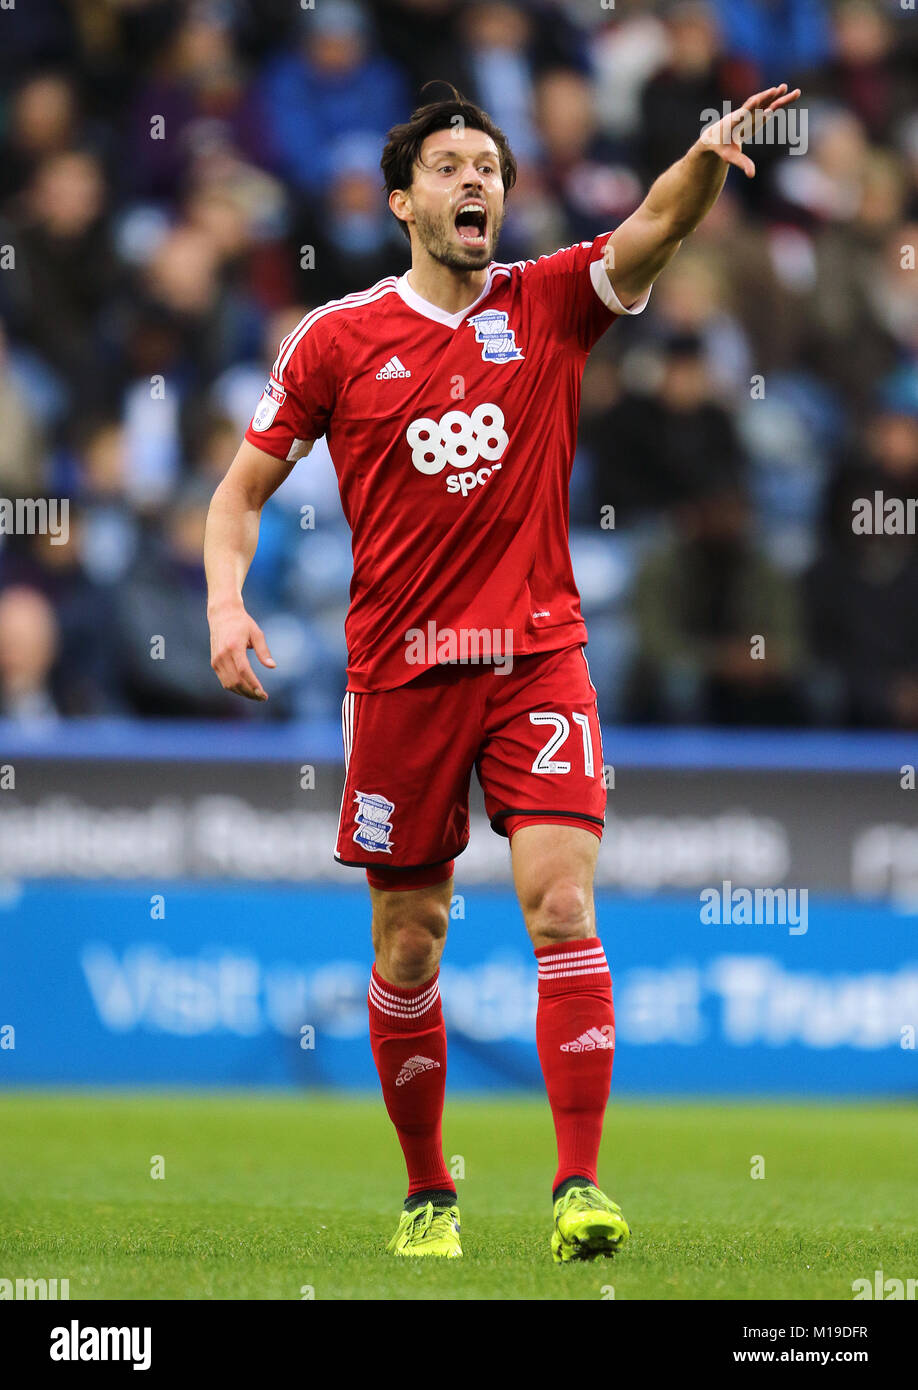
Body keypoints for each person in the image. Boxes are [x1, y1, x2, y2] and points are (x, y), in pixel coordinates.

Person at [204, 81, 800, 1262]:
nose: (475, 179)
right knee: (410, 941)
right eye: (450, 165)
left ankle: (578, 1185)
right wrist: (225, 603)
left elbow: (655, 230)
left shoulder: (547, 304)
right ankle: (430, 1192)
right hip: (403, 674)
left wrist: (698, 155)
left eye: (489, 164)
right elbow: (237, 497)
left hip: (537, 658)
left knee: (563, 903)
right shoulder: (335, 339)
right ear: (402, 201)